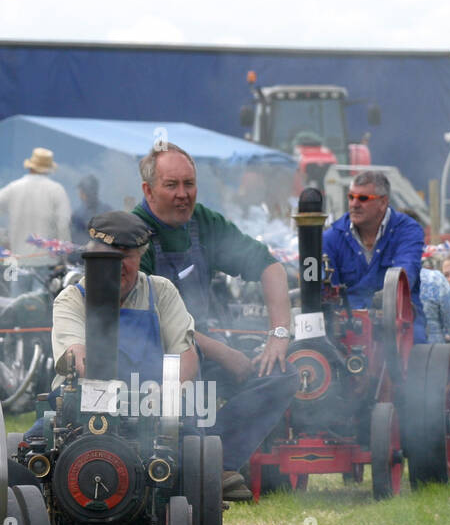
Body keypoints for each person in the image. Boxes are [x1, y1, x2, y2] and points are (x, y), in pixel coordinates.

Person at [132, 143, 298, 500]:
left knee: (281, 373)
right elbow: (155, 317)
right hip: (157, 364)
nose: (183, 195)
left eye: (189, 184)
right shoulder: (134, 234)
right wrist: (224, 352)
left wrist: (279, 335)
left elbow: (270, 267)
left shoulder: (203, 223)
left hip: (206, 352)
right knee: (182, 400)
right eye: (171, 185)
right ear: (148, 190)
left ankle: (216, 461)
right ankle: (199, 462)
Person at [52, 211, 197, 387]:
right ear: (93, 256)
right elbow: (76, 357)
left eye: (126, 255)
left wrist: (163, 402)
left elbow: (185, 358)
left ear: (140, 257)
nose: (117, 264)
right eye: (109, 255)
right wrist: (115, 397)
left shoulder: (162, 292)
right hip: (84, 405)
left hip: (150, 404)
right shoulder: (71, 299)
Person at [322, 170, 428, 342]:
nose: (354, 204)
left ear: (383, 202)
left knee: (414, 343)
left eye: (363, 199)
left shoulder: (408, 230)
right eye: (351, 197)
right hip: (347, 320)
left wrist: (386, 303)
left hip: (398, 317)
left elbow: (406, 273)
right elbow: (326, 291)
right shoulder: (331, 237)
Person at [0, 146, 72, 282]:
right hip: (47, 263)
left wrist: (3, 241)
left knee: (17, 302)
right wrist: (64, 255)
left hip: (18, 261)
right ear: (48, 169)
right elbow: (63, 224)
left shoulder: (13, 188)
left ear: (30, 166)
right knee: (43, 302)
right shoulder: (56, 190)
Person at [70, 175, 112, 246]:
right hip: (85, 254)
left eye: (82, 191)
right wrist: (87, 243)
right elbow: (75, 236)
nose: (80, 195)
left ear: (88, 192)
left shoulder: (107, 211)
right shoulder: (77, 214)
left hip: (105, 253)